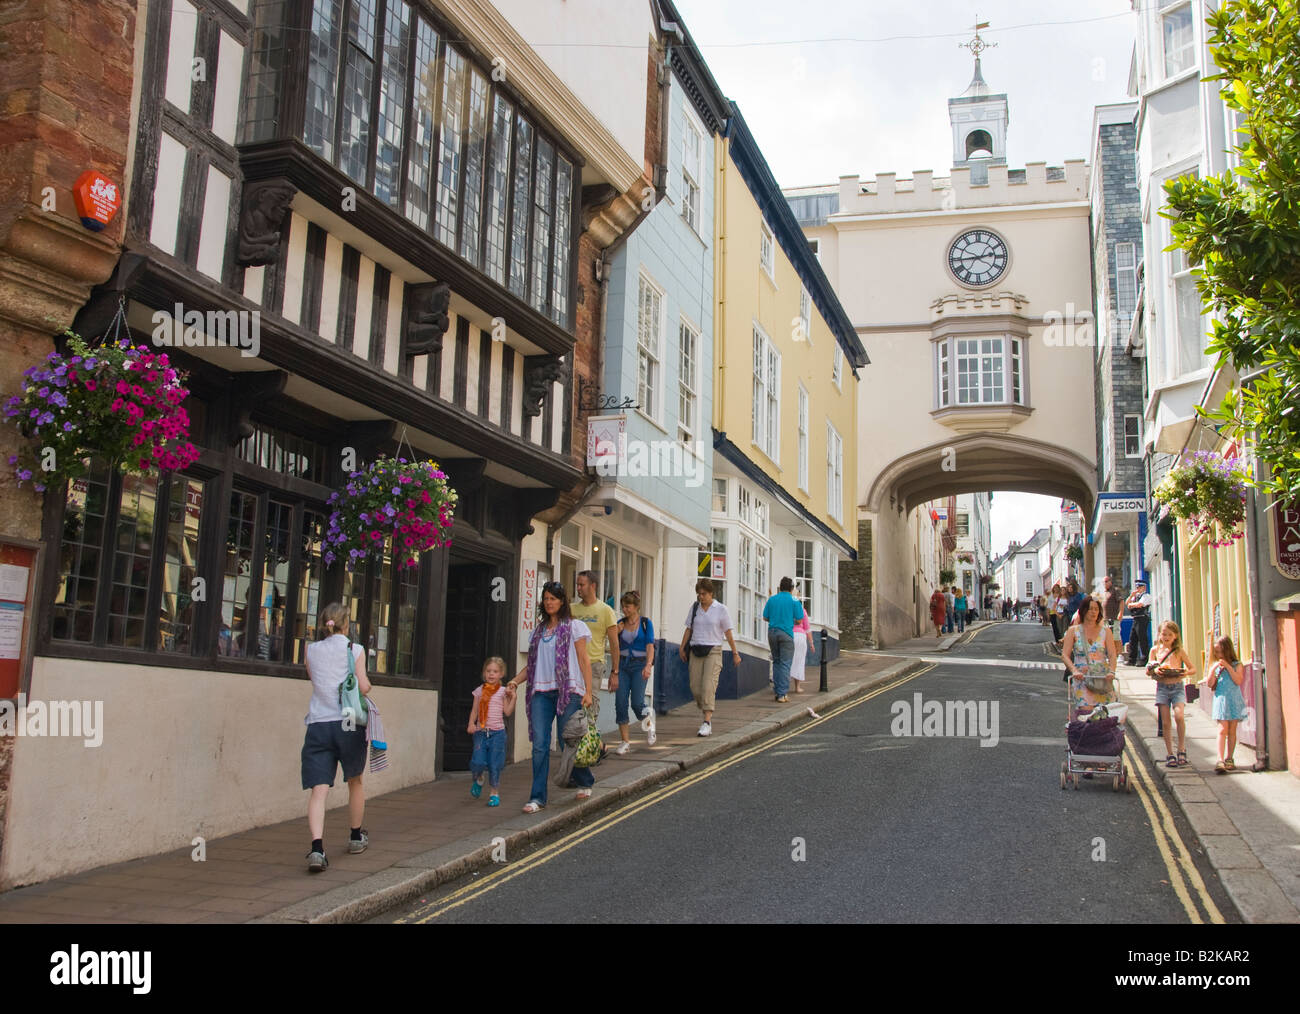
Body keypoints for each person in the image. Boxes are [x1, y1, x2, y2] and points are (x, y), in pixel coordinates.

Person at [506, 581, 595, 813]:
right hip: (541, 693)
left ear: (562, 601)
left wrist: (588, 691)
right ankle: (537, 798)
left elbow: (584, 659)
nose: (549, 603)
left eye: (553, 599)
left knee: (569, 741)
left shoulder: (574, 627)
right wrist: (515, 681)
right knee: (540, 745)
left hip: (569, 691)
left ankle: (585, 780)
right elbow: (532, 665)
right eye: (546, 599)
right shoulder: (538, 631)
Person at [302, 603, 371, 873]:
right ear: (346, 623)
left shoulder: (311, 650)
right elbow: (363, 686)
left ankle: (317, 848)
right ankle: (355, 836)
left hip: (318, 723)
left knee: (319, 790)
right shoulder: (354, 650)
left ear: (325, 624)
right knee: (355, 780)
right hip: (347, 722)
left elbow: (315, 682)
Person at [679, 578, 741, 737]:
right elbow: (688, 629)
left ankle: (707, 721)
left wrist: (735, 653)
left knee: (708, 687)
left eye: (704, 594)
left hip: (713, 650)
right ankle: (706, 707)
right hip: (695, 650)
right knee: (695, 688)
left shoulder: (721, 609)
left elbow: (728, 632)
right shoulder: (695, 609)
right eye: (699, 594)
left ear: (711, 593)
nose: (701, 597)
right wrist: (682, 647)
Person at [611, 590, 656, 755]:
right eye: (623, 606)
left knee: (637, 704)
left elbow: (650, 645)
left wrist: (648, 665)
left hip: (639, 666)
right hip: (622, 666)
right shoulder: (620, 623)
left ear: (636, 607)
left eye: (628, 606)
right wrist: (616, 633)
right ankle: (625, 742)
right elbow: (612, 646)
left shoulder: (645, 623)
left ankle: (649, 725)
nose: (625, 609)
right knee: (620, 703)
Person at [1146, 620, 1196, 768]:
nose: (1166, 637)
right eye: (1164, 634)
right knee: (1166, 723)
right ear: (1159, 634)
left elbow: (1192, 668)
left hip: (1177, 687)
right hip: (1162, 688)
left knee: (1179, 716)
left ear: (1175, 636)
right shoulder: (1154, 650)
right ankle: (1170, 754)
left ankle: (1181, 749)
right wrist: (1155, 670)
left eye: (1169, 634)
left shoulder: (1179, 651)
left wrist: (1184, 672)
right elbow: (1149, 668)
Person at [467, 657, 515, 807]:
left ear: (501, 674)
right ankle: (479, 778)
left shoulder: (503, 692)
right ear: (484, 673)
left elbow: (507, 712)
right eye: (488, 671)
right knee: (478, 761)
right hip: (481, 733)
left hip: (497, 734)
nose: (491, 674)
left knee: (495, 765)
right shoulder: (479, 691)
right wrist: (470, 724)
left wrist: (513, 698)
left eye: (495, 671)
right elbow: (475, 710)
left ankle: (494, 793)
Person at [1061, 594, 1118, 715]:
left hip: (1102, 679)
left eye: (1096, 609)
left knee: (1104, 718)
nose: (1093, 612)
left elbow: (1112, 654)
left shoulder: (1106, 631)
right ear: (1084, 610)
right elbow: (1065, 655)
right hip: (1082, 679)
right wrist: (1074, 670)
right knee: (1086, 715)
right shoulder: (1073, 631)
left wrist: (1112, 671)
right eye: (1090, 609)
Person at [572, 570, 620, 693]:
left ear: (593, 586)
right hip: (573, 665)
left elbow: (614, 644)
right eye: (577, 585)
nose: (578, 588)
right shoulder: (571, 609)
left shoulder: (606, 610)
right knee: (571, 707)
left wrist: (614, 672)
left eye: (581, 585)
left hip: (594, 664)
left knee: (590, 706)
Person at [1207, 636, 1247, 773]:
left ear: (1228, 650)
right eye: (1216, 652)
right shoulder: (1215, 665)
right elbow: (1210, 684)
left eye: (1221, 652)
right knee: (1222, 729)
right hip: (1221, 700)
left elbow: (1238, 680)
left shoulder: (1237, 664)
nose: (1219, 655)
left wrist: (1228, 666)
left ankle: (1230, 758)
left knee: (1232, 730)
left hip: (1233, 699)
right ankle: (1220, 759)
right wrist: (1213, 669)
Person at [763, 577, 806, 702]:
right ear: (792, 589)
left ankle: (778, 691)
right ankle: (782, 694)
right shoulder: (794, 600)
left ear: (780, 587)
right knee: (785, 663)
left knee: (776, 661)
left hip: (772, 632)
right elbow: (799, 620)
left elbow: (765, 618)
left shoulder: (772, 599)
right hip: (786, 633)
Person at [1125, 579, 1153, 665]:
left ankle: (1144, 659)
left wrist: (1131, 605)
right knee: (1133, 639)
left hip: (1142, 619)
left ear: (1144, 587)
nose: (1138, 588)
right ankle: (1132, 659)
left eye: (1140, 587)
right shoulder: (1135, 596)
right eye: (1137, 587)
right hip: (1136, 618)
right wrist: (1131, 596)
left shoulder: (1146, 596)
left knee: (1142, 639)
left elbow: (1140, 604)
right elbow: (1127, 603)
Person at [790, 609, 814, 693]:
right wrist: (811, 643)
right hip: (800, 637)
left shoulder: (786, 608)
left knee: (786, 661)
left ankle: (783, 687)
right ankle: (797, 687)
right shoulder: (802, 610)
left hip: (788, 635)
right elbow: (807, 628)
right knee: (799, 661)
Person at [1101, 576, 1125, 651]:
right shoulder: (1104, 592)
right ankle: (1110, 654)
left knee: (1116, 637)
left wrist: (1120, 613)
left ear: (1110, 582)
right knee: (1106, 637)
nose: (1104, 583)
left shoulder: (1115, 590)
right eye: (1103, 582)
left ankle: (1119, 654)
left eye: (1106, 581)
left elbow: (1121, 601)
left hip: (1114, 618)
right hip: (1105, 619)